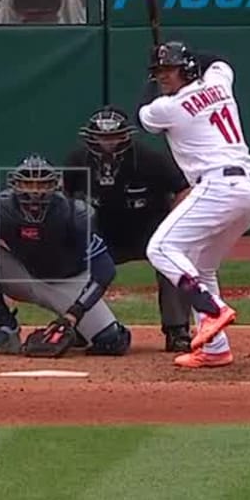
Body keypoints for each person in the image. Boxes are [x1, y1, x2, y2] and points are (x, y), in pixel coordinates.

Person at [138, 42, 250, 369]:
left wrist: (152, 77)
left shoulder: (168, 107)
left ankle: (213, 309)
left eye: (169, 70)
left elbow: (143, 115)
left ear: (188, 69)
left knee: (160, 249)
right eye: (158, 72)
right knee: (202, 266)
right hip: (249, 191)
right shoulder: (218, 81)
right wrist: (178, 55)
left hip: (217, 186)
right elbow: (218, 60)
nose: (162, 77)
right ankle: (215, 348)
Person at [0, 153, 132, 357]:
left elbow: (105, 270)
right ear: (15, 185)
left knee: (111, 342)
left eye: (41, 184)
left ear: (54, 185)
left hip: (68, 281)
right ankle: (3, 329)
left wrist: (74, 314)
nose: (35, 192)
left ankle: (78, 331)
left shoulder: (75, 213)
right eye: (28, 184)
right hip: (23, 275)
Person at [63, 107, 195, 352]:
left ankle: (177, 330)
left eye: (113, 137)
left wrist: (173, 224)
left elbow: (184, 189)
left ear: (126, 136)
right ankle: (83, 326)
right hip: (103, 235)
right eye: (102, 137)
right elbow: (64, 195)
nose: (108, 143)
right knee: (70, 260)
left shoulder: (149, 159)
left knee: (174, 261)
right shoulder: (77, 160)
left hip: (150, 232)